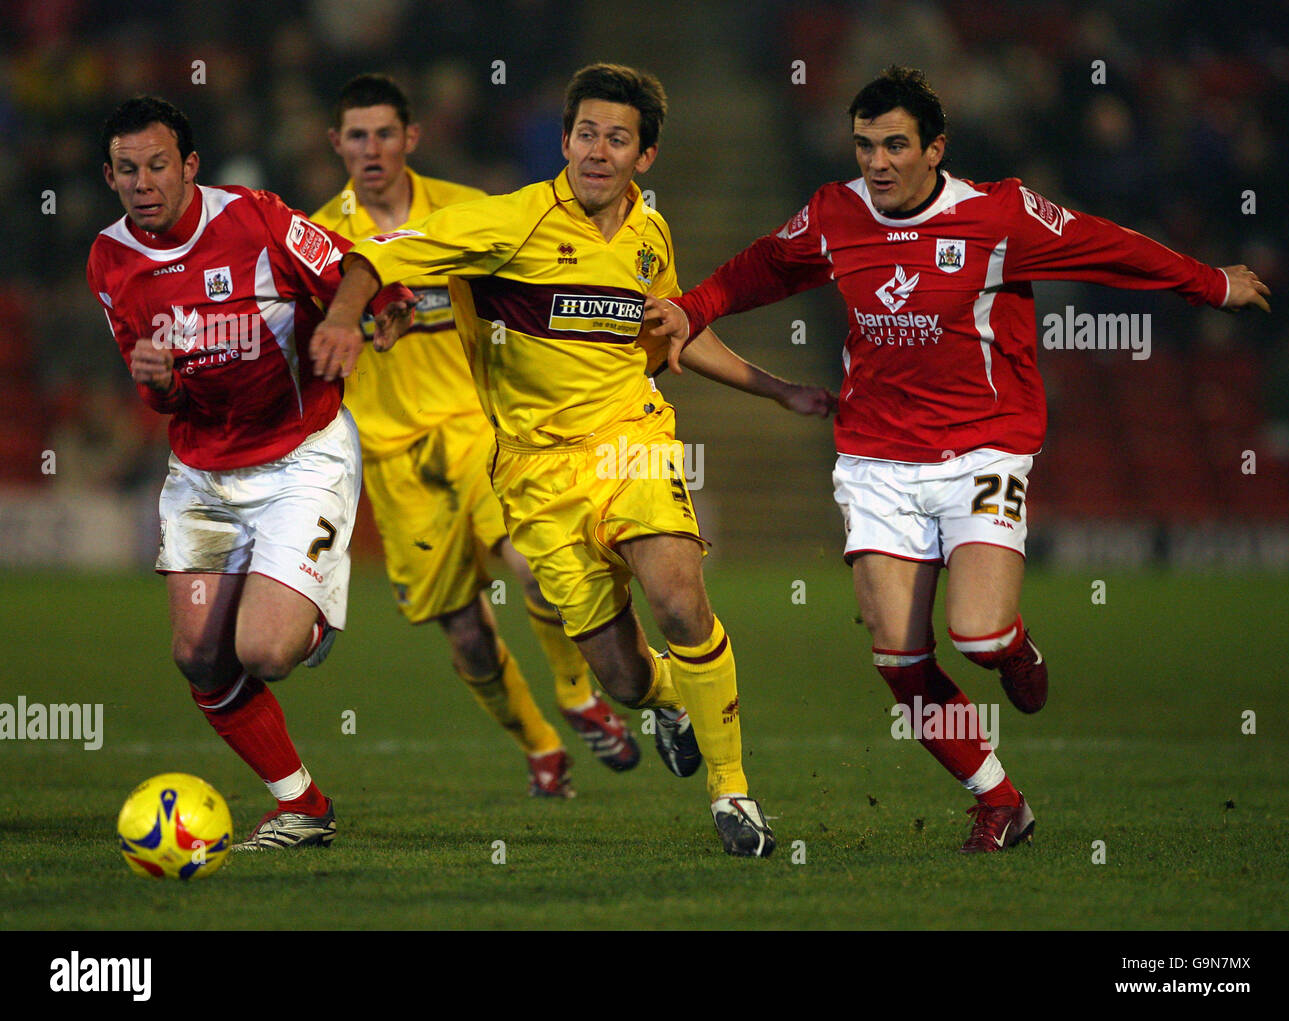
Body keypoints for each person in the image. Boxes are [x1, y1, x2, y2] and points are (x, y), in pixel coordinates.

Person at [646, 66, 1271, 853]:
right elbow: (763, 266)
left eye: (895, 145)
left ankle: (1016, 650)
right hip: (876, 457)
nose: (877, 161)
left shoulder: (997, 214)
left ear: (936, 147)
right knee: (898, 657)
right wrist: (691, 307)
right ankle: (1000, 799)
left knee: (976, 634)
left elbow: (1103, 247)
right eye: (865, 144)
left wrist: (1211, 284)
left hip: (983, 446)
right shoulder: (835, 213)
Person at [311, 63, 836, 857]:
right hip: (532, 472)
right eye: (585, 133)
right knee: (623, 677)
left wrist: (776, 388)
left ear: (644, 157)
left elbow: (674, 328)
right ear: (563, 141)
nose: (598, 149)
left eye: (616, 137)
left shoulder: (648, 233)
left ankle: (732, 792)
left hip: (631, 440)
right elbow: (372, 256)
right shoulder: (505, 222)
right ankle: (663, 698)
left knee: (680, 598)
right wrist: (351, 317)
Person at [87, 96, 414, 851]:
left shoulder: (256, 219)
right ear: (109, 176)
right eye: (127, 169)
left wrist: (354, 317)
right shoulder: (109, 259)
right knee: (199, 655)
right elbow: (160, 395)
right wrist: (155, 378)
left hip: (303, 454)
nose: (144, 181)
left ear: (190, 165)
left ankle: (303, 613)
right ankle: (303, 805)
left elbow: (361, 269)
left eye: (159, 164)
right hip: (204, 471)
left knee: (266, 650)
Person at [312, 73, 641, 798]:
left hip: (476, 429)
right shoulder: (317, 239)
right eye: (357, 136)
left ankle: (576, 692)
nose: (372, 149)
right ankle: (541, 745)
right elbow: (305, 342)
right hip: (392, 457)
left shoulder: (467, 212)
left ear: (412, 139)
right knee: (462, 628)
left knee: (533, 565)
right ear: (336, 143)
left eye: (385, 134)